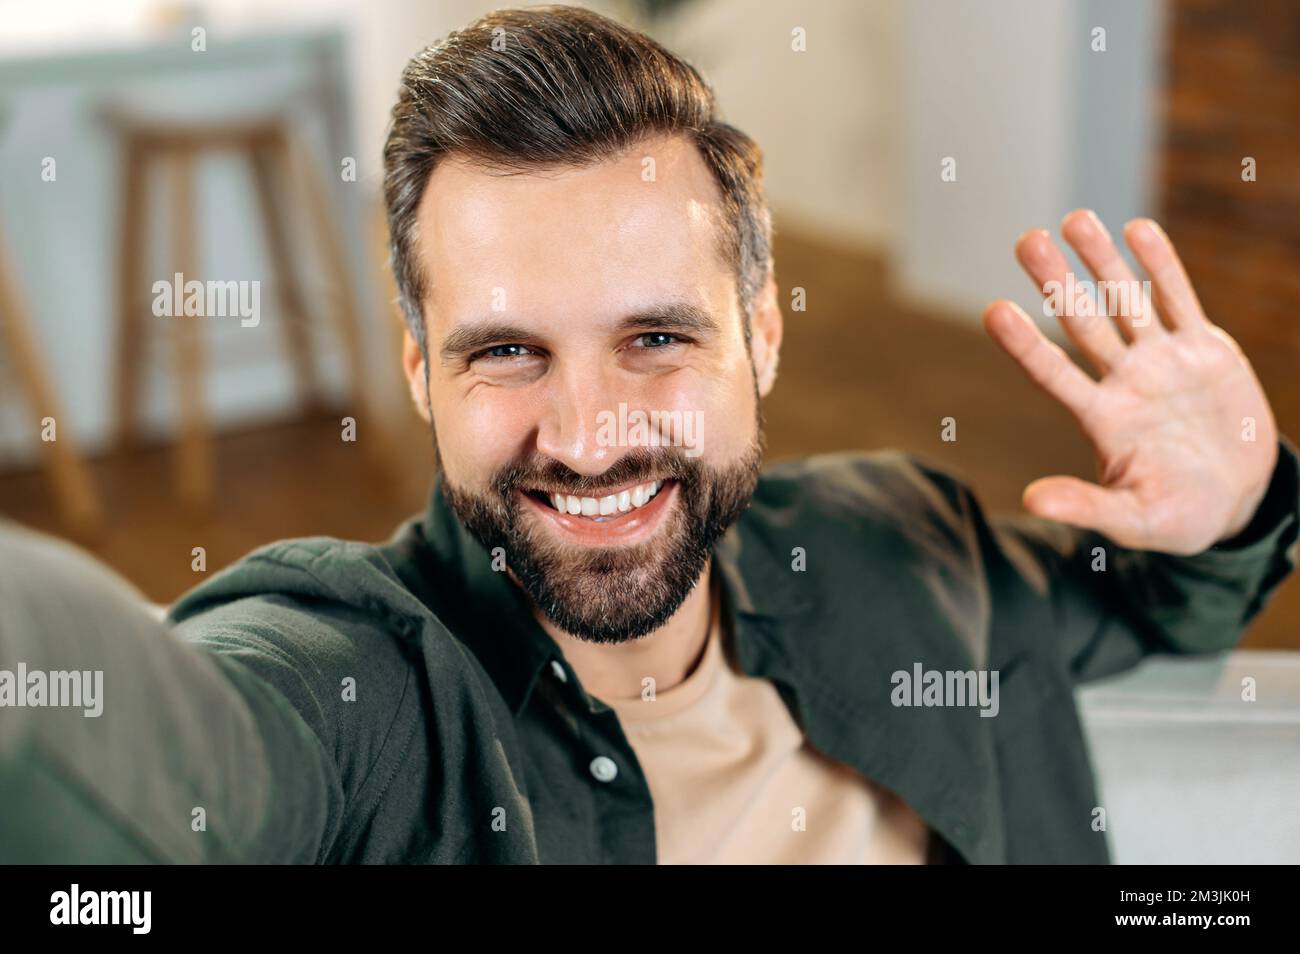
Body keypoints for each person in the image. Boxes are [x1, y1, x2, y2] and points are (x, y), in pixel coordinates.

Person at [1, 5, 1296, 865]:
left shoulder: (903, 540)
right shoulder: (371, 688)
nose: (589, 431)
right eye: (507, 350)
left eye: (657, 337)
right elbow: (185, 749)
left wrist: (1230, 506)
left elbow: (1153, 617)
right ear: (418, 371)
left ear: (764, 336)